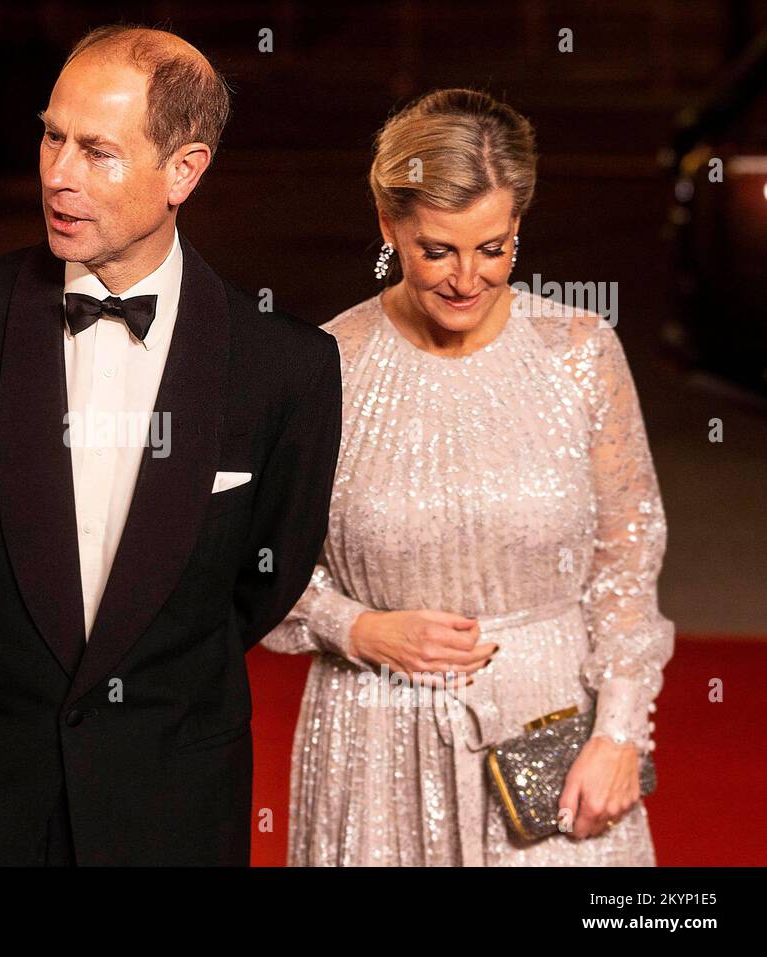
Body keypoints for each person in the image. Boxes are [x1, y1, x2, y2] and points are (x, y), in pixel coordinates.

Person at [0, 25, 343, 865]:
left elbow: (261, 583)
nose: (58, 174)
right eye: (51, 135)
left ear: (183, 171)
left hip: (166, 809)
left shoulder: (285, 366)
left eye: (97, 152)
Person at [263, 89, 675, 866]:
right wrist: (354, 627)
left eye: (495, 246)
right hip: (373, 733)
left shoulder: (581, 351)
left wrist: (620, 730)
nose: (466, 278)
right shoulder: (322, 365)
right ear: (389, 226)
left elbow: (628, 553)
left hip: (552, 734)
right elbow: (256, 561)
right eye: (437, 250)